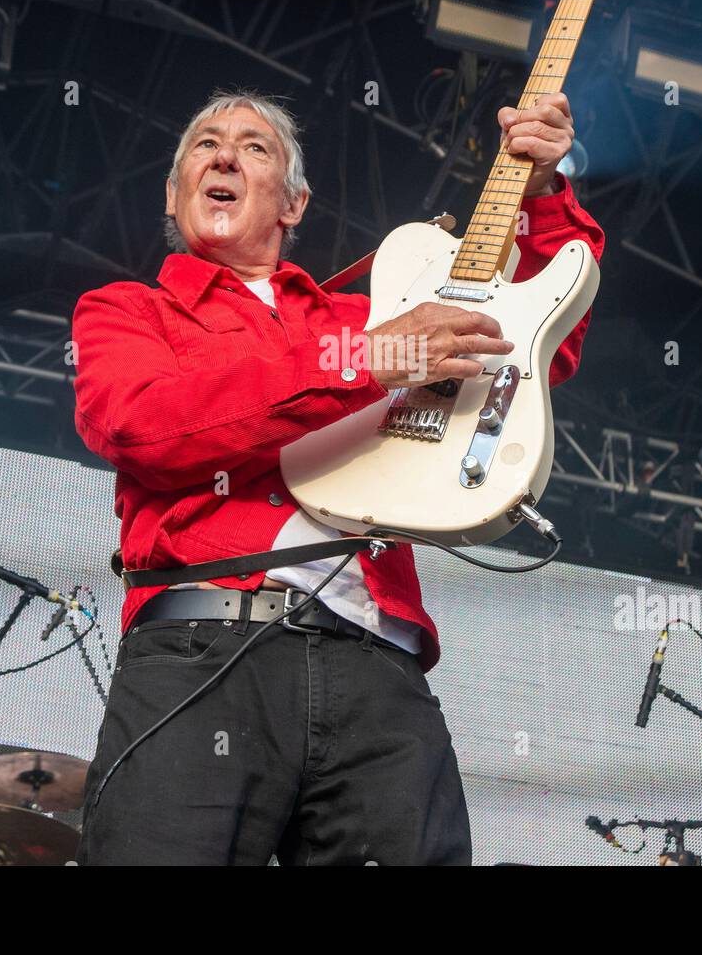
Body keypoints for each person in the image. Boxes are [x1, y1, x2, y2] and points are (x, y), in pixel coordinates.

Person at [71, 88, 605, 865]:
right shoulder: (127, 310)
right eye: (204, 144)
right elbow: (139, 425)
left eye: (254, 147)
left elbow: (531, 346)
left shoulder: (369, 315)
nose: (223, 154)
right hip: (204, 648)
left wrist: (542, 193)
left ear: (295, 202)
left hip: (379, 667)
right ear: (173, 190)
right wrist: (366, 361)